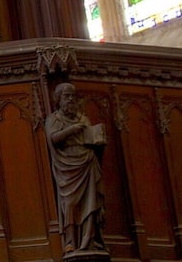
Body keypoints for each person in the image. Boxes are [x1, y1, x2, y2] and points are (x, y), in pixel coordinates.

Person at [47, 82, 108, 256]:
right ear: (59, 99)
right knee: (70, 203)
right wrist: (71, 130)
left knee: (90, 202)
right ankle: (70, 242)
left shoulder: (83, 118)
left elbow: (91, 138)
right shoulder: (54, 119)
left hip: (87, 162)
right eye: (67, 96)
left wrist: (99, 139)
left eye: (73, 96)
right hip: (66, 166)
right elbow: (53, 138)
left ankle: (88, 239)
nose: (71, 99)